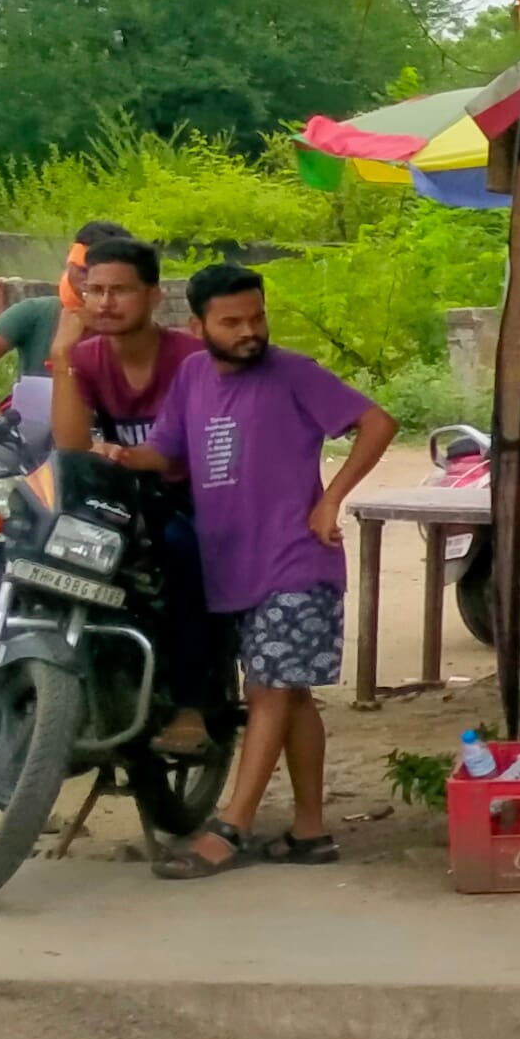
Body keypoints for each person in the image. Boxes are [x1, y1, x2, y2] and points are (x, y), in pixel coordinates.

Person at [153, 264, 395, 878]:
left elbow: (377, 422)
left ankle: (229, 827)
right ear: (197, 324)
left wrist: (331, 498)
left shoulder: (294, 373)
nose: (250, 331)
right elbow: (167, 451)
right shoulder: (190, 376)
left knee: (267, 690)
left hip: (297, 558)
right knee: (291, 695)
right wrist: (117, 454)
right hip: (232, 565)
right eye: (232, 321)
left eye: (256, 316)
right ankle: (310, 833)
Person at [45, 237, 227, 748]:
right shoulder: (84, 357)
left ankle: (191, 706)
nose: (104, 303)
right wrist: (62, 358)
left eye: (120, 291)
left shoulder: (194, 357)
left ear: (152, 296)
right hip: (123, 499)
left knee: (180, 550)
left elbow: (217, 444)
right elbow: (72, 448)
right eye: (95, 290)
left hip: (196, 499)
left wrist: (135, 454)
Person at [0, 219, 136, 449]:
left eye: (108, 279)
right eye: (83, 271)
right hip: (32, 447)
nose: (90, 282)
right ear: (69, 259)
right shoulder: (37, 313)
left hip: (109, 449)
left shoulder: (136, 330)